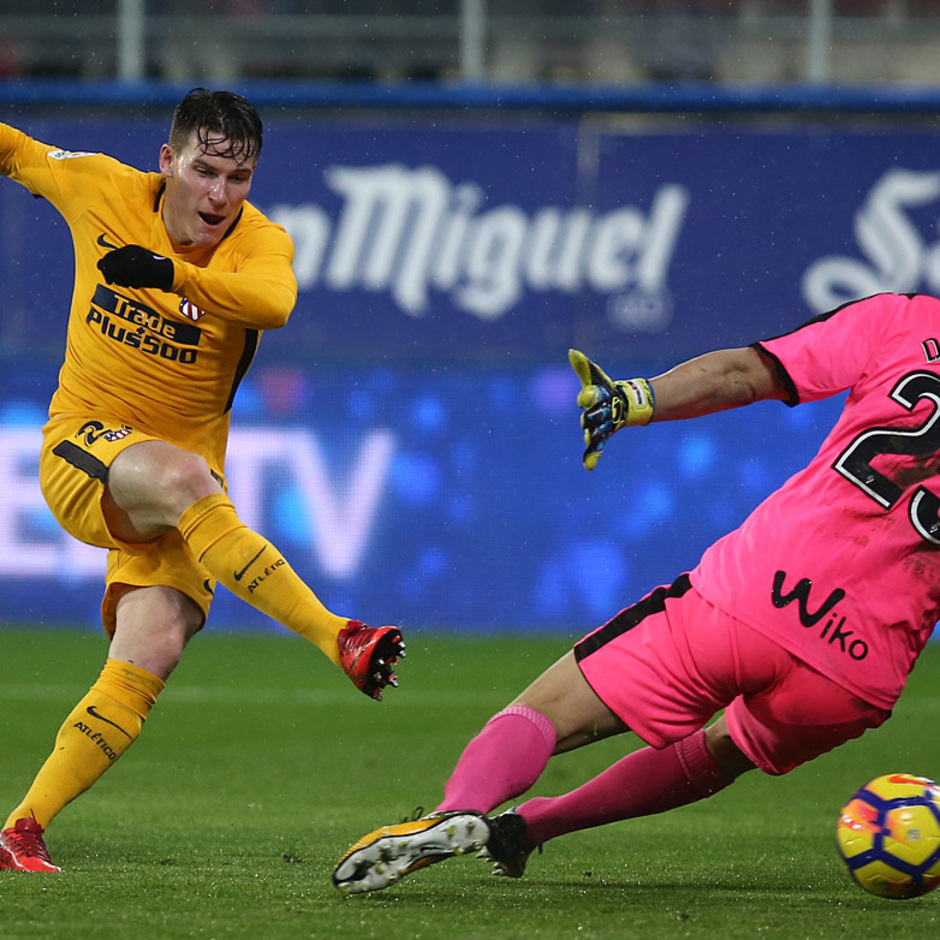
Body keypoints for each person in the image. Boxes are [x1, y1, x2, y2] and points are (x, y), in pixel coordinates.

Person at [333, 292, 940, 894]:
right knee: (725, 750)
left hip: (761, 592)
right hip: (859, 669)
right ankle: (530, 827)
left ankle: (456, 810)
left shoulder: (907, 318)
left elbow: (741, 374)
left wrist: (635, 398)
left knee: (547, 711)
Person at [0, 88, 404, 874]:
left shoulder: (262, 244)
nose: (220, 194)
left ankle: (20, 830)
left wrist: (173, 275)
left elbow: (274, 304)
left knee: (149, 650)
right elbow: (14, 152)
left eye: (239, 177)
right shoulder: (100, 187)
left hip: (180, 495)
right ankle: (338, 636)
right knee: (187, 475)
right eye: (206, 170)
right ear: (167, 161)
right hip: (85, 452)